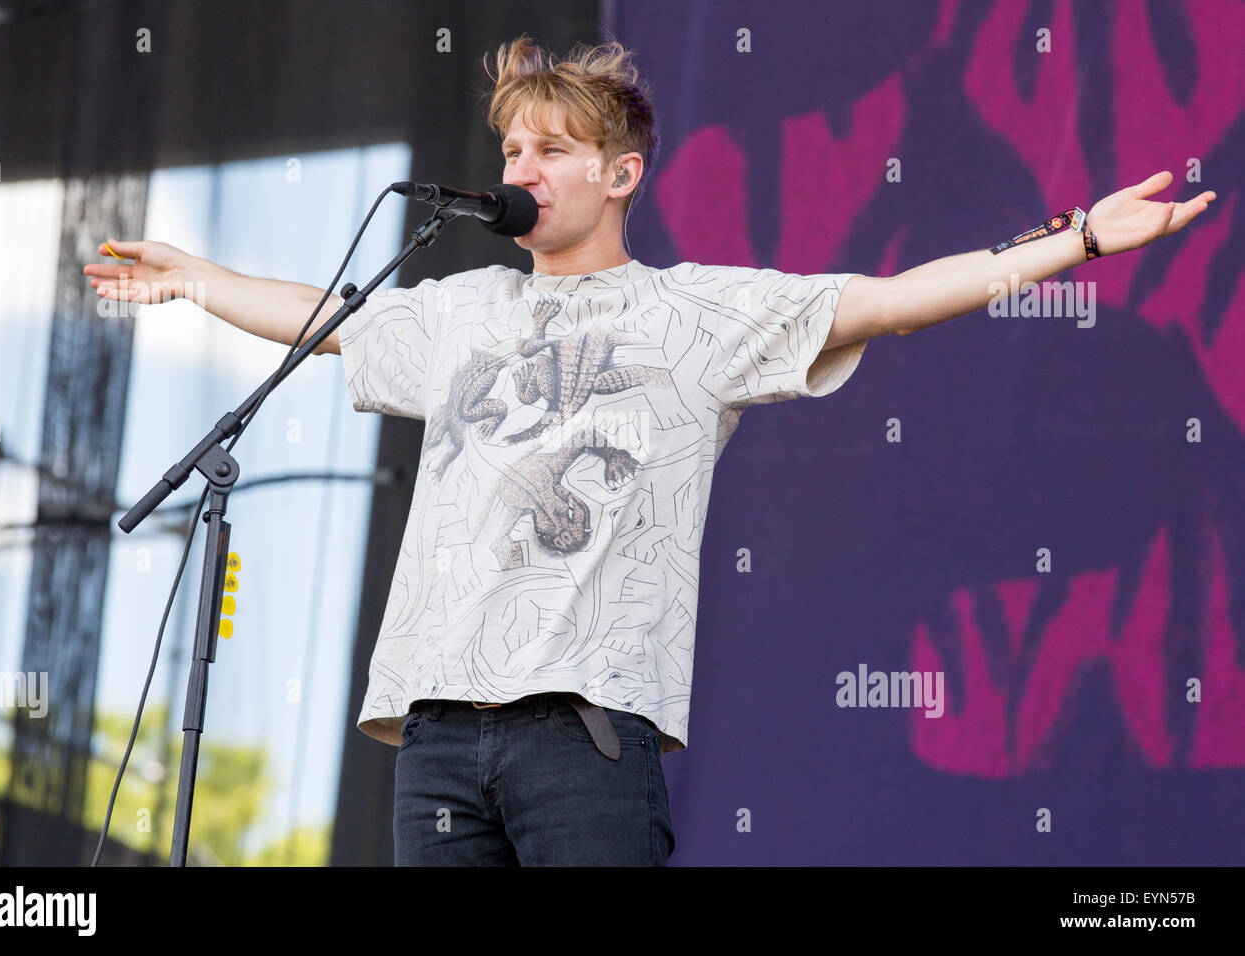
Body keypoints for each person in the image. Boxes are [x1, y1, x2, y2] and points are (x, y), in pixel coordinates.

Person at [84, 35, 1216, 867]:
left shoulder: (695, 313)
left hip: (584, 731)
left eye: (552, 149)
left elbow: (892, 300)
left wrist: (1075, 237)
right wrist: (195, 278)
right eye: (512, 147)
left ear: (620, 174)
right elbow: (328, 318)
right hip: (433, 730)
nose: (520, 168)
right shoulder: (461, 308)